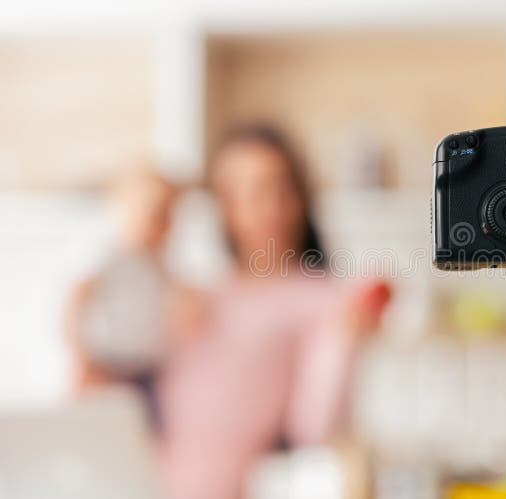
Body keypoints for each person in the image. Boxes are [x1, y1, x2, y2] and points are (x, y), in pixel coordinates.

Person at [158, 125, 390, 499]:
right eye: (246, 192)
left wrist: (344, 336)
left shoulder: (324, 298)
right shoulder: (196, 296)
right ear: (223, 207)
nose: (269, 207)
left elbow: (313, 430)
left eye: (279, 187)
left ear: (301, 197)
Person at [63, 168, 194, 427]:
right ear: (122, 209)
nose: (160, 224)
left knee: (149, 429)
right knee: (97, 425)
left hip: (150, 371)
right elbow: (76, 300)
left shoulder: (160, 266)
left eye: (167, 215)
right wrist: (80, 357)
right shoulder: (107, 257)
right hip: (106, 366)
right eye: (152, 212)